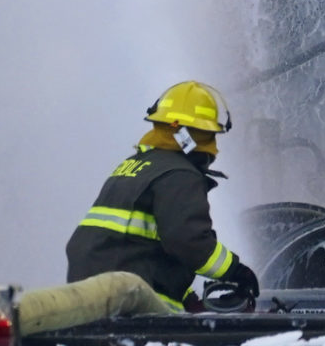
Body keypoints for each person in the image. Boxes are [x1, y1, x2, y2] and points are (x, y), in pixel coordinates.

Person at [65, 80, 260, 311]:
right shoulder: (179, 174)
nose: (213, 147)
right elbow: (187, 241)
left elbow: (143, 247)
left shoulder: (134, 166)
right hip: (130, 307)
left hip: (90, 297)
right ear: (197, 135)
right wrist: (235, 271)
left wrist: (186, 296)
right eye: (210, 136)